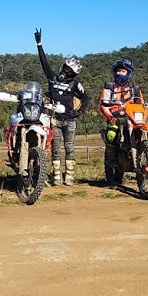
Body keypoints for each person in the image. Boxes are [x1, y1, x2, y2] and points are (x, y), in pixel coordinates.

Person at [34, 28, 88, 186]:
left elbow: (86, 98)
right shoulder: (52, 78)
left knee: (70, 148)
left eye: (69, 70)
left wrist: (78, 112)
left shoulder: (75, 84)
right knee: (56, 148)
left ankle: (69, 176)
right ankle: (57, 177)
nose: (66, 71)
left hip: (70, 121)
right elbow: (44, 63)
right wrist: (39, 44)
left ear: (73, 74)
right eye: (65, 67)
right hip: (55, 119)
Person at [99, 59, 145, 186]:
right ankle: (111, 162)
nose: (120, 73)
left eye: (123, 71)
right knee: (111, 135)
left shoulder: (135, 88)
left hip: (133, 119)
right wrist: (110, 117)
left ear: (129, 73)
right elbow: (103, 105)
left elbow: (141, 103)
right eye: (118, 71)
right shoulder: (109, 86)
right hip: (115, 118)